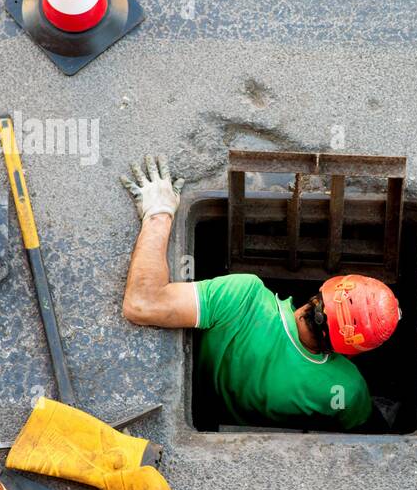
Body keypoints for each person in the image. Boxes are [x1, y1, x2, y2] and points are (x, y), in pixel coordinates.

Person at [118, 155, 400, 429]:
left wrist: (159, 214)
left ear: (325, 289)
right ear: (350, 352)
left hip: (206, 401)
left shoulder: (242, 296)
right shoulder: (346, 388)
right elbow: (359, 429)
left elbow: (142, 303)